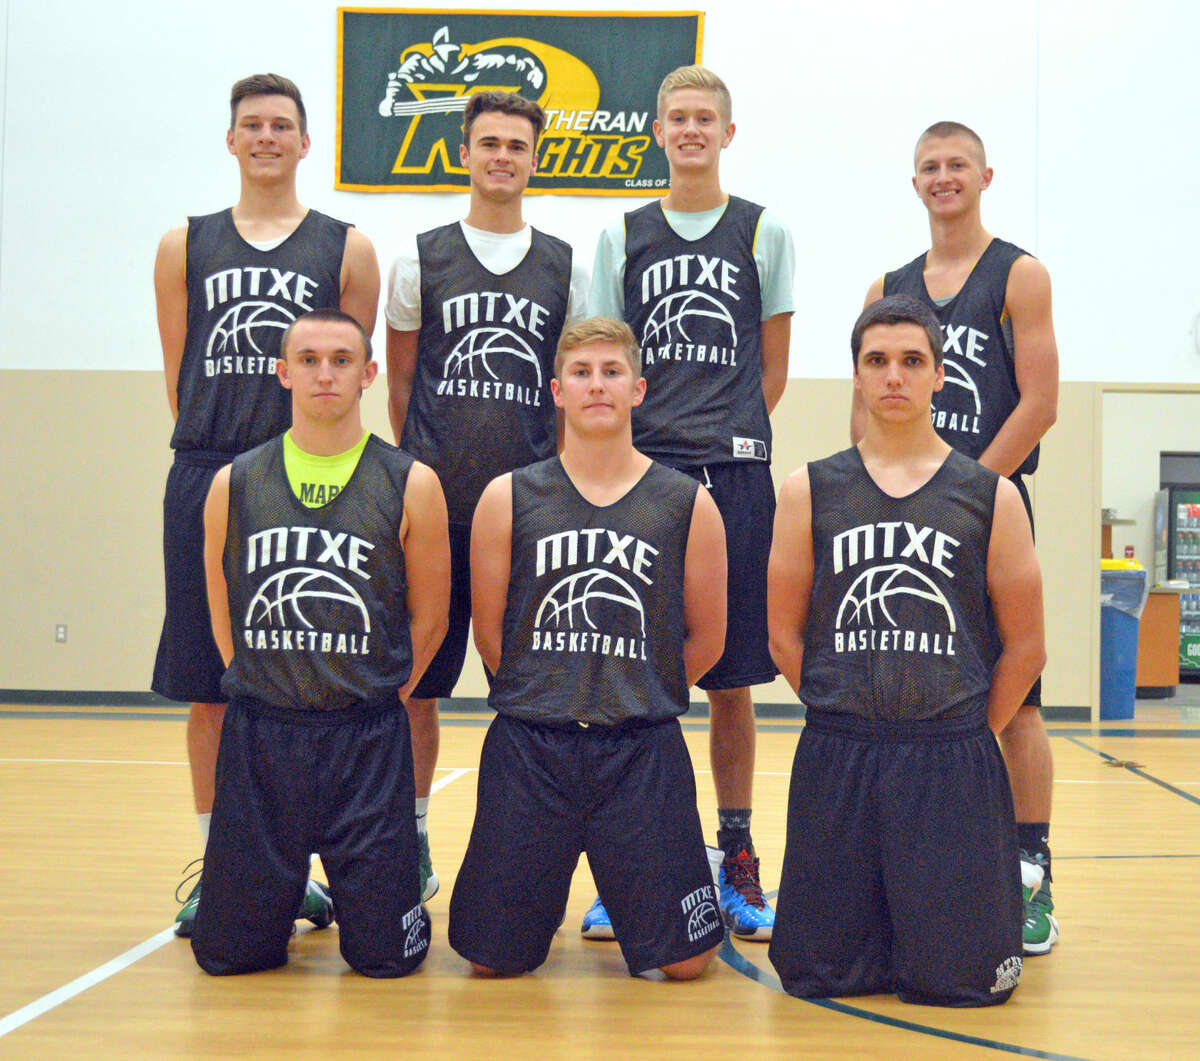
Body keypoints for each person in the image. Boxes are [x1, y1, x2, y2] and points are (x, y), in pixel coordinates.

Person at [767, 295, 1045, 1006]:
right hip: (841, 753)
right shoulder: (810, 488)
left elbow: (1027, 645)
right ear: (857, 377)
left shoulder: (991, 494)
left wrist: (970, 731)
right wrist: (839, 703)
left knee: (963, 982)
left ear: (939, 375)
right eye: (877, 361)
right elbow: (783, 632)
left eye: (911, 360)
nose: (894, 375)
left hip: (950, 756)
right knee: (818, 976)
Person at [152, 73, 381, 936]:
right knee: (211, 682)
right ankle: (218, 869)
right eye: (251, 124)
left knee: (311, 675)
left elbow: (348, 373)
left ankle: (306, 866)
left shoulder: (345, 248)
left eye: (281, 125)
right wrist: (227, 464)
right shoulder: (185, 244)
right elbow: (183, 376)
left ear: (305, 142)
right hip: (212, 470)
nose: (266, 138)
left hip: (315, 480)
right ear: (231, 139)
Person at [448, 317, 727, 979]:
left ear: (638, 388)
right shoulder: (507, 497)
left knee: (688, 963)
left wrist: (631, 689)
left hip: (641, 750)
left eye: (610, 371)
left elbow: (707, 637)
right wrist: (555, 686)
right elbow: (491, 634)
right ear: (557, 390)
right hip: (531, 746)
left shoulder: (687, 502)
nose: (596, 384)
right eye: (582, 372)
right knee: (490, 959)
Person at [587, 65, 794, 941]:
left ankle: (737, 856)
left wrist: (724, 433)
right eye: (677, 117)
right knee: (635, 677)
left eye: (706, 117)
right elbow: (599, 354)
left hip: (737, 473)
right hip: (648, 477)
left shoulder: (763, 231)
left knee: (732, 681)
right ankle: (633, 864)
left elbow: (771, 369)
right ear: (659, 131)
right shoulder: (621, 235)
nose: (692, 130)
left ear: (728, 132)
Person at [852, 121, 1060, 955]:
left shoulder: (1020, 274)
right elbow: (866, 406)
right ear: (915, 183)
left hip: (989, 510)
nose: (945, 178)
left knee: (1019, 702)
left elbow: (1040, 401)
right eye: (930, 168)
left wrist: (966, 495)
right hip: (894, 518)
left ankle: (1032, 870)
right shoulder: (889, 284)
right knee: (897, 686)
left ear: (985, 176)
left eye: (957, 166)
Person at [193, 309, 449, 976]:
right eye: (308, 359)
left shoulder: (411, 481)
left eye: (341, 359)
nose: (324, 373)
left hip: (365, 737)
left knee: (389, 958)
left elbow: (430, 617)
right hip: (263, 736)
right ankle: (282, 893)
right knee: (227, 955)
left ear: (368, 373)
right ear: (283, 372)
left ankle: (367, 894)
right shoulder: (235, 482)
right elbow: (224, 608)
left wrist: (379, 691)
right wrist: (262, 680)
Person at [385, 91, 589, 901]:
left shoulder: (564, 266)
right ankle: (410, 837)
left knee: (533, 687)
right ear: (463, 153)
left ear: (534, 158)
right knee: (415, 687)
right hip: (435, 511)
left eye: (516, 144)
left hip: (528, 515)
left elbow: (572, 388)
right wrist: (421, 479)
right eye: (488, 142)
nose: (502, 155)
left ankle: (533, 848)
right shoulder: (420, 259)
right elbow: (402, 383)